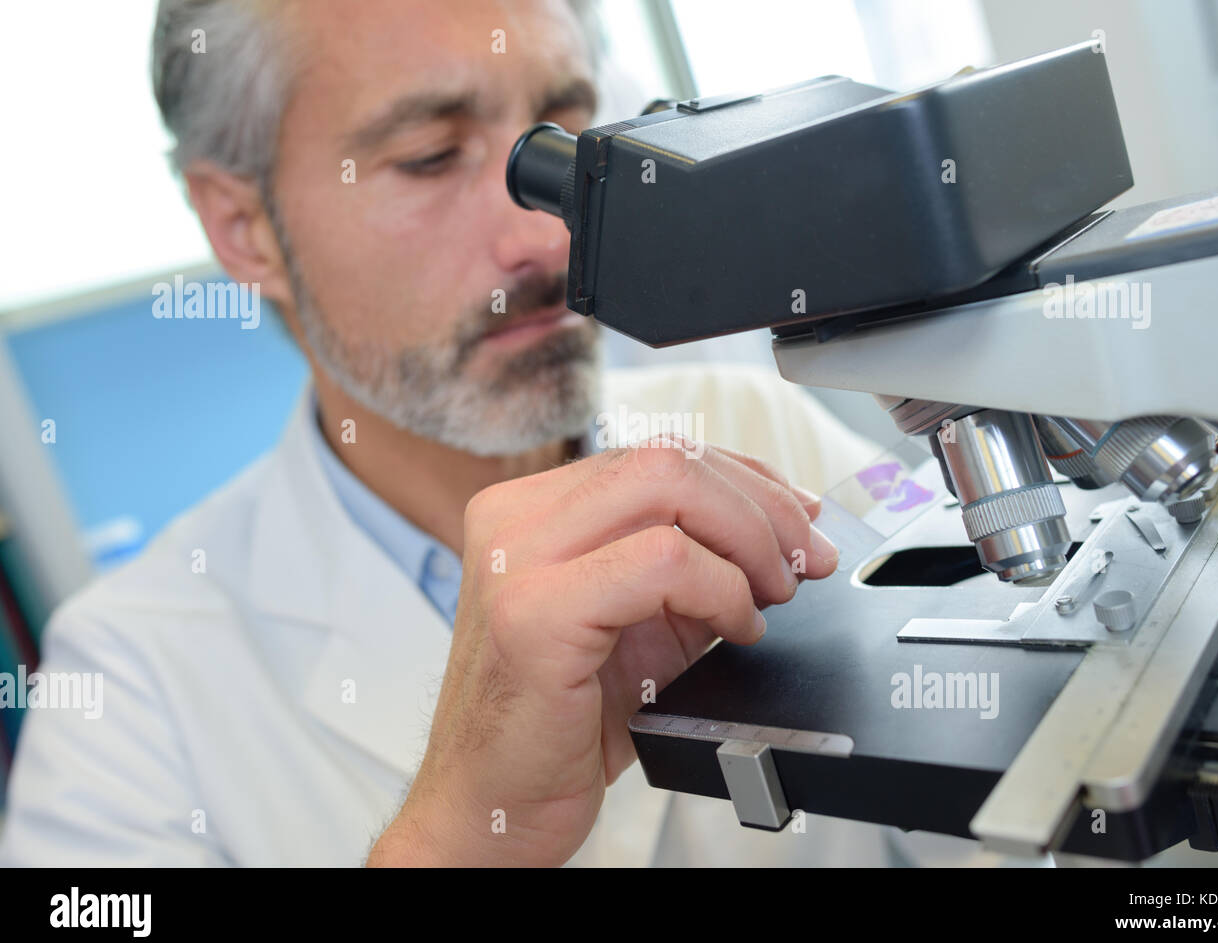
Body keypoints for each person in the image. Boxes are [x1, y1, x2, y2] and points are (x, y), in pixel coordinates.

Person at [0, 0, 904, 866]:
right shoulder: (125, 691)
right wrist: (458, 838)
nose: (551, 242)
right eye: (431, 158)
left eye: (567, 142)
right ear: (245, 230)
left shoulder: (758, 430)